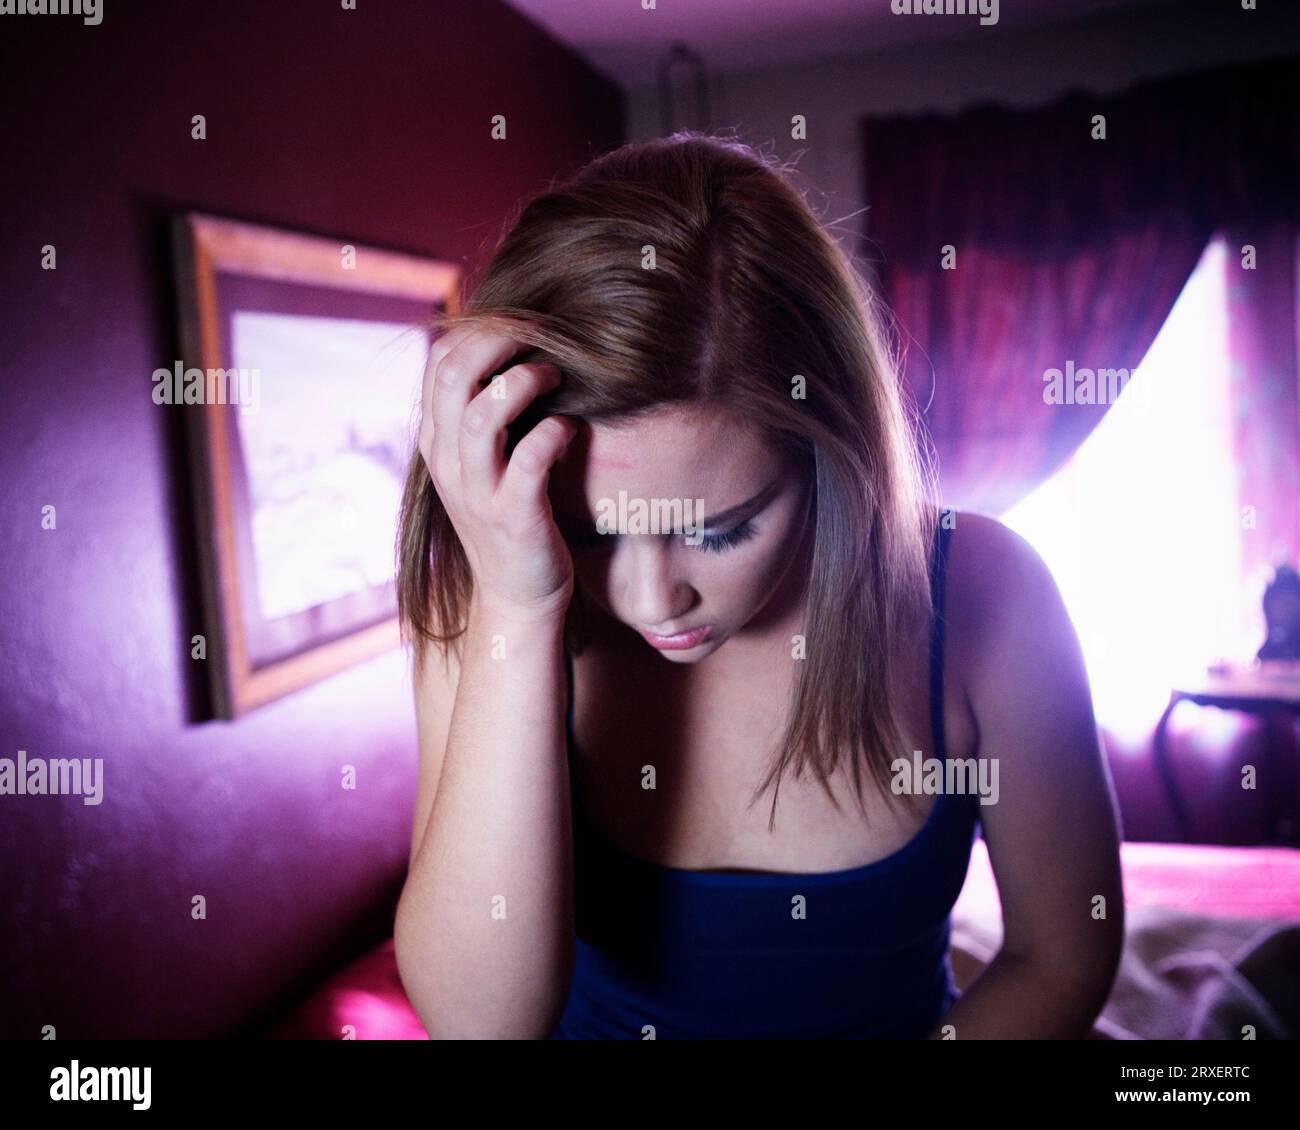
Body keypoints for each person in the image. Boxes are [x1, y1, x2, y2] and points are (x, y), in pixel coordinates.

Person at [393, 132, 1124, 1039]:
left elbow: (1061, 955)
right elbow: (480, 1028)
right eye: (589, 532)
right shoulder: (490, 595)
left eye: (719, 529)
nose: (652, 601)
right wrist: (518, 606)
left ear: (831, 455)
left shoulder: (988, 593)